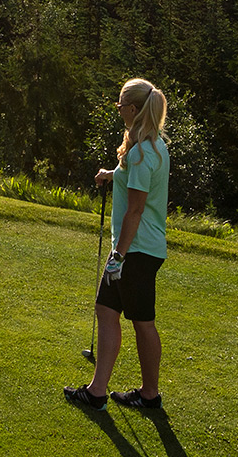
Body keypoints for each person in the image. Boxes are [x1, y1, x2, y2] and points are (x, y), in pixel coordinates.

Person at [65, 77, 170, 412]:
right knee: (106, 310)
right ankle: (97, 392)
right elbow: (136, 182)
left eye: (121, 105)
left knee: (142, 322)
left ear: (134, 109)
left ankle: (150, 395)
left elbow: (136, 209)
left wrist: (118, 256)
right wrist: (112, 174)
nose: (119, 109)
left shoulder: (141, 154)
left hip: (136, 251)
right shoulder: (152, 146)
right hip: (135, 250)